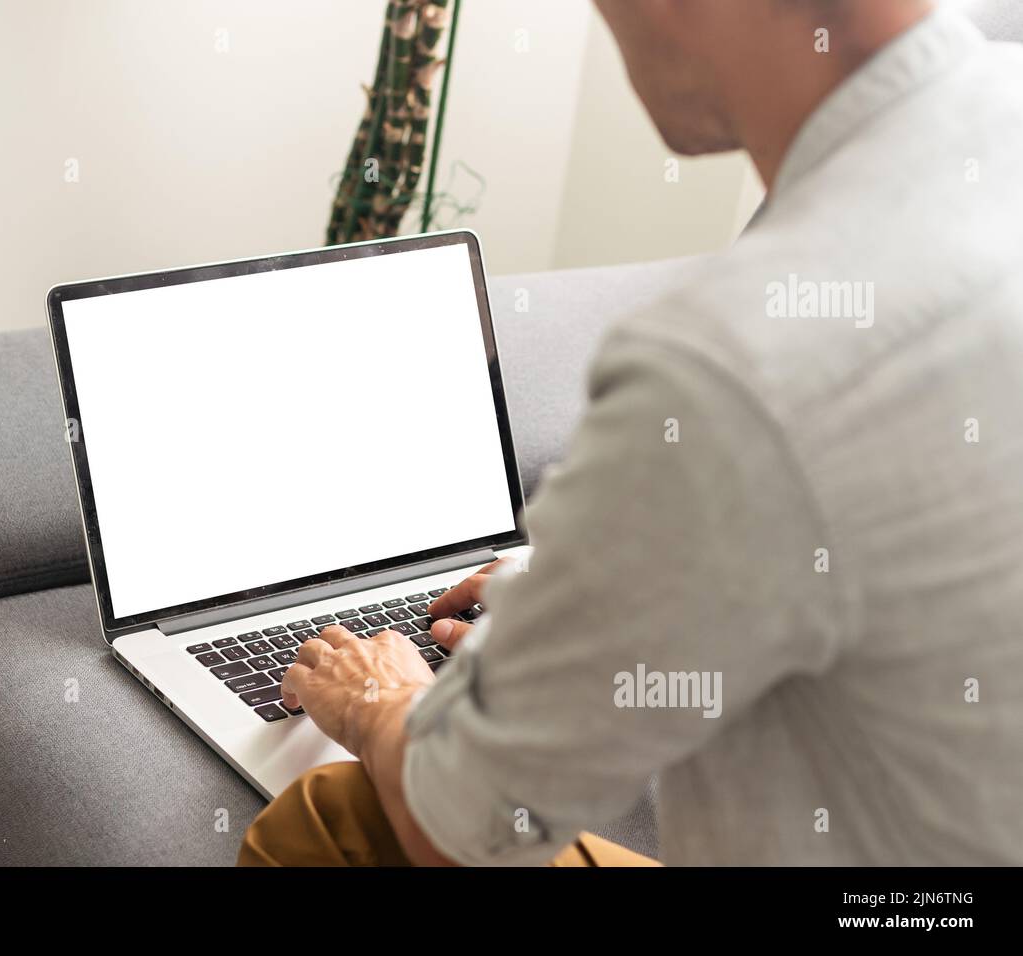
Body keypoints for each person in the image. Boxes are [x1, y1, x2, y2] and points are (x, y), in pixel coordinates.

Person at [240, 0, 1023, 866]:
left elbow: (463, 826)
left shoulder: (733, 361)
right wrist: (607, 572)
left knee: (330, 821)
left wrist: (381, 700)